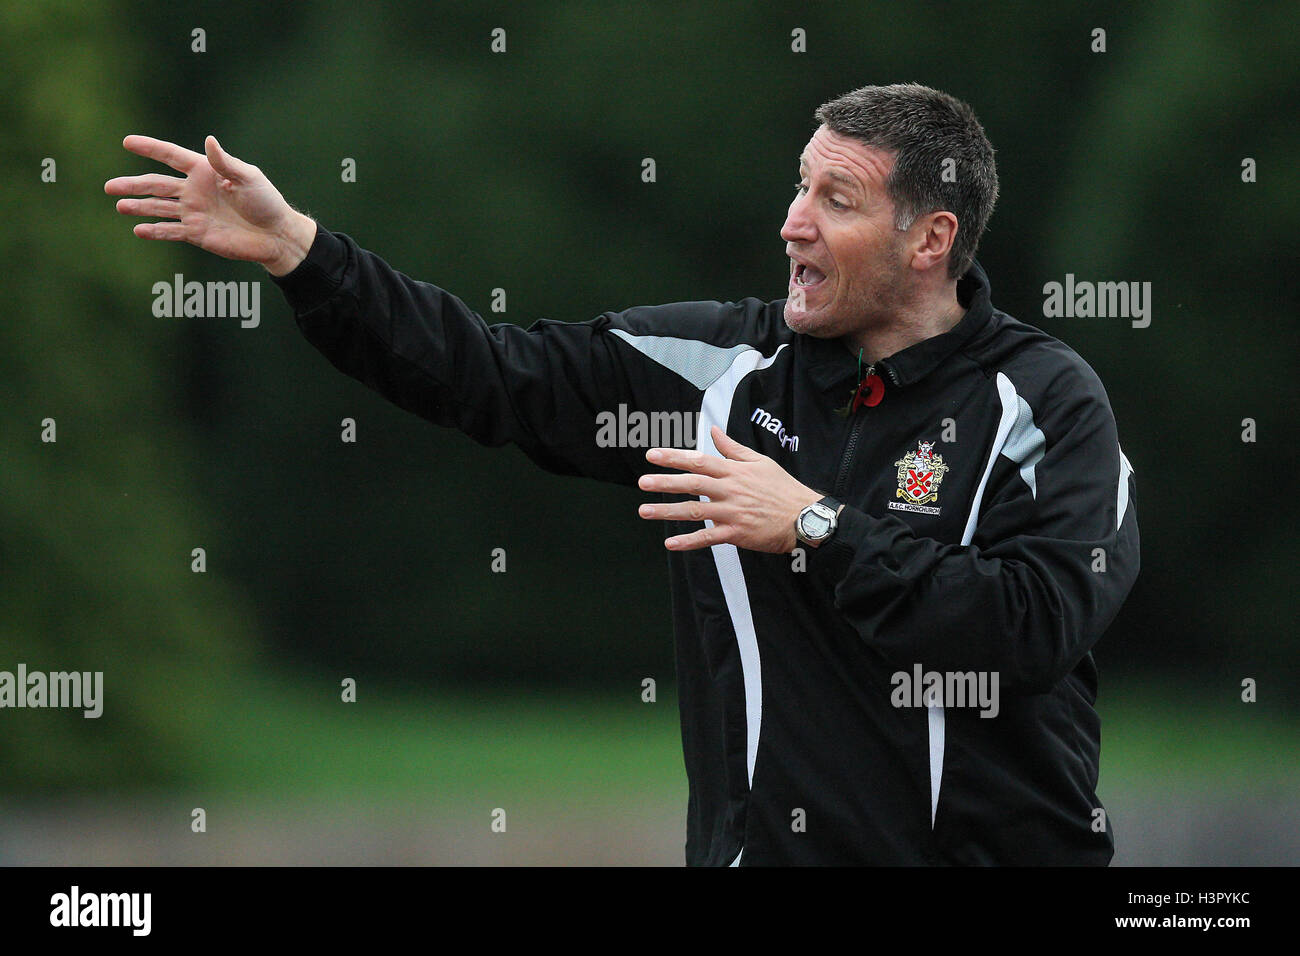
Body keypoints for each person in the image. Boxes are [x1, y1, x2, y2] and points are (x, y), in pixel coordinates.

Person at [105, 83, 1139, 866]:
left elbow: (1037, 622)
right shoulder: (723, 374)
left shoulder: (1043, 401)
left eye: (835, 198)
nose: (792, 220)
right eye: (798, 185)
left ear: (931, 240)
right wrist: (302, 251)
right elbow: (491, 373)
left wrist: (819, 526)